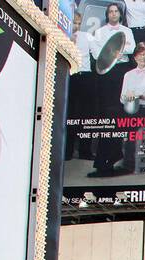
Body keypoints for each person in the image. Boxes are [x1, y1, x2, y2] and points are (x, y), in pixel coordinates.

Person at [89, 2, 135, 177]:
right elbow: (95, 52)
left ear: (120, 14)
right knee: (108, 116)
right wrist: (109, 53)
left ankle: (117, 154)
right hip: (106, 75)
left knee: (119, 115)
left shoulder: (127, 31)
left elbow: (131, 48)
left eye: (116, 11)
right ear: (107, 14)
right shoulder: (100, 32)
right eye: (111, 12)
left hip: (122, 73)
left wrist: (119, 52)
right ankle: (104, 160)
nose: (114, 14)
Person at [65, 11, 96, 161]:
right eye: (74, 23)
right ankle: (67, 152)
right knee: (69, 115)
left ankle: (85, 151)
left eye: (78, 23)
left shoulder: (88, 36)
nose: (76, 26)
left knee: (86, 116)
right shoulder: (61, 34)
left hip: (86, 77)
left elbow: (97, 54)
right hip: (70, 76)